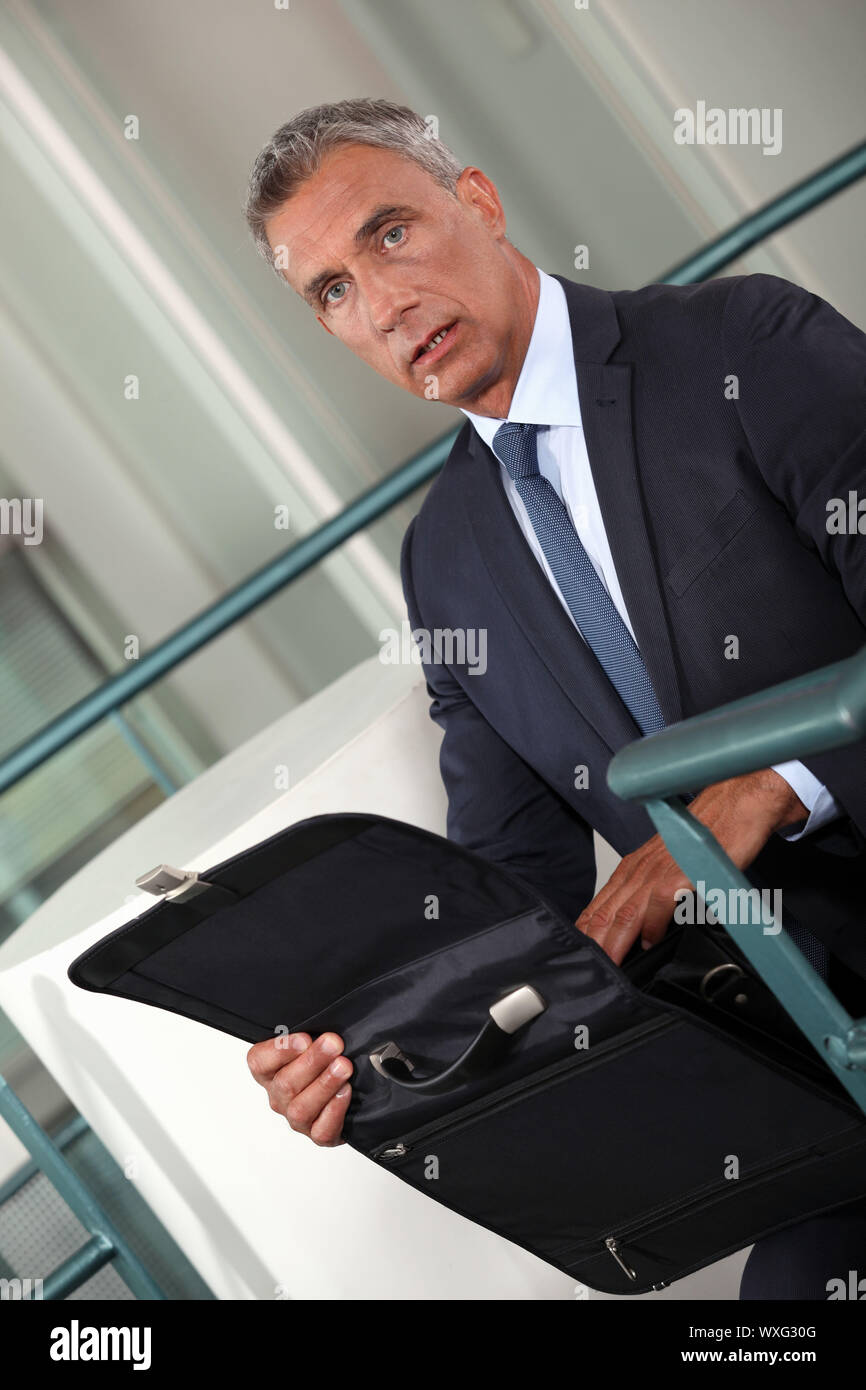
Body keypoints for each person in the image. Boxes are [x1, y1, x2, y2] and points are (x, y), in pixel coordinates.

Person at [242, 99, 866, 1299]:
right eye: (328, 290)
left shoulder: (744, 343)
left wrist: (769, 790)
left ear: (477, 200)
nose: (379, 302)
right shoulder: (446, 558)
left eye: (388, 234)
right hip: (800, 1056)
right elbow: (511, 889)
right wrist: (367, 1047)